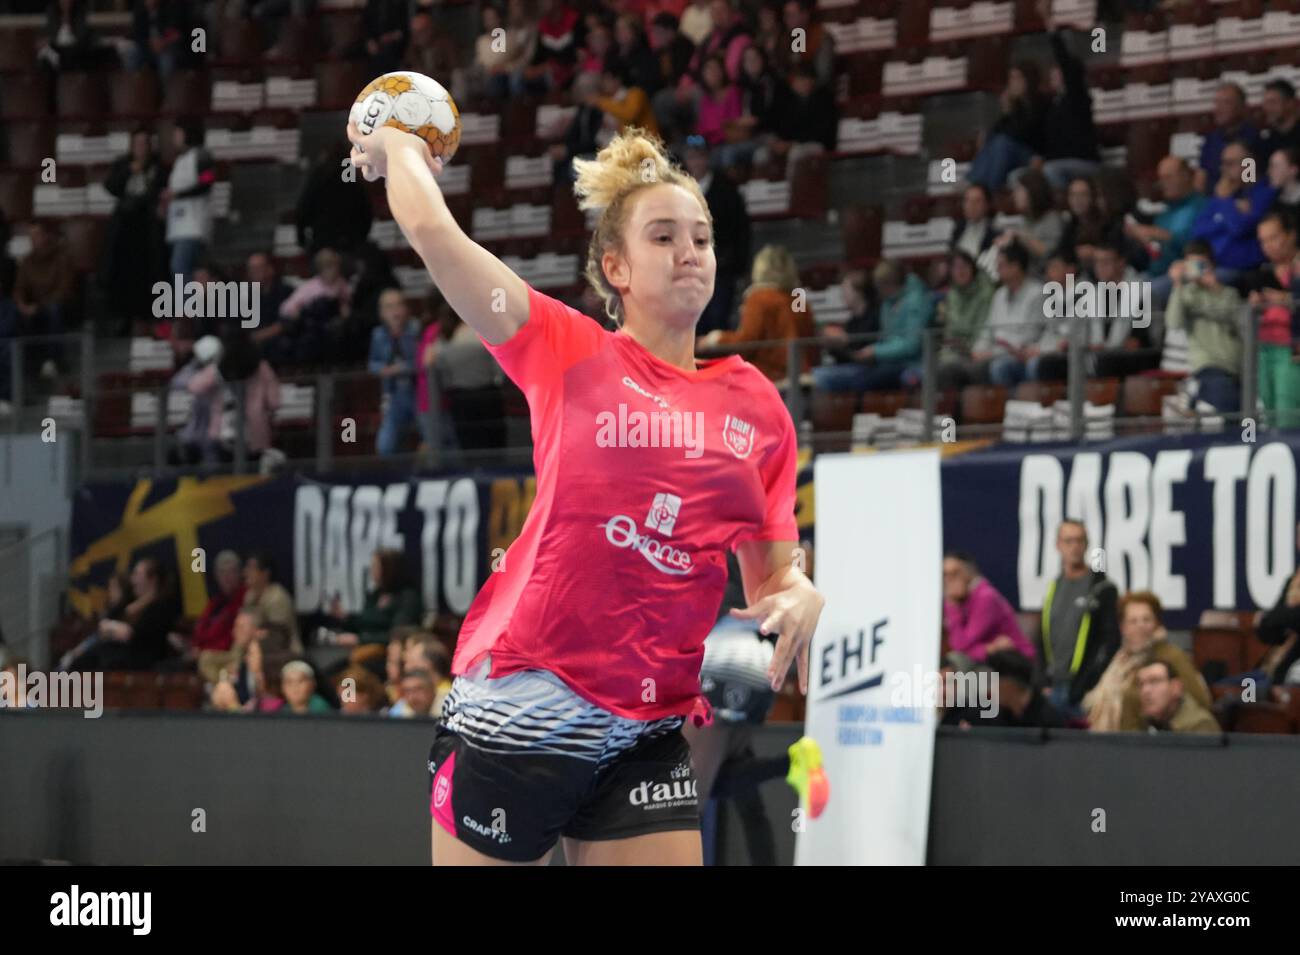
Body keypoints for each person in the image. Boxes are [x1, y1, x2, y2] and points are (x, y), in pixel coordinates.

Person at [347, 118, 823, 866]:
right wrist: (400, 148)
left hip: (648, 722)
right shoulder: (566, 350)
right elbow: (440, 239)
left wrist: (798, 590)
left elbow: (770, 573)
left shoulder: (756, 404)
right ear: (617, 267)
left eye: (700, 237)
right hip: (524, 708)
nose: (689, 252)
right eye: (662, 237)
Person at [1082, 591, 1211, 732]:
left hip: (1152, 742)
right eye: (1133, 621)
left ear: (1157, 623)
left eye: (1146, 620)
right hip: (1114, 739)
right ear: (1123, 627)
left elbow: (1201, 701)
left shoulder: (1172, 656)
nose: (1140, 626)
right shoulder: (1120, 660)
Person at [1034, 519, 1119, 720]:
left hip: (1083, 690)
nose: (1074, 547)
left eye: (1079, 541)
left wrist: (1085, 685)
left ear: (1087, 544)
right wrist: (1042, 682)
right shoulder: (1053, 587)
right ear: (1058, 545)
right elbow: (1042, 637)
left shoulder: (1101, 588)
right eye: (1068, 541)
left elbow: (1109, 641)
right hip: (1053, 686)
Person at [697, 244, 816, 382]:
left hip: (770, 376)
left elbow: (746, 342)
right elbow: (808, 335)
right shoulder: (798, 296)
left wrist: (715, 339)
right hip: (803, 375)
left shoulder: (759, 297)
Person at [812, 259, 930, 393]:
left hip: (910, 363)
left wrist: (875, 351)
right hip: (886, 363)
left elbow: (911, 345)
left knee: (863, 380)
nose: (878, 292)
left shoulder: (916, 302)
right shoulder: (887, 303)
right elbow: (885, 337)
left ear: (889, 284)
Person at [1164, 240, 1243, 413]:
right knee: (1225, 414)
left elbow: (1238, 320)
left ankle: (1194, 400)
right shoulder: (1185, 293)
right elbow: (1173, 322)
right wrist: (1177, 284)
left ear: (1213, 265)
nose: (1198, 269)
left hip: (1235, 369)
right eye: (1192, 264)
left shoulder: (1229, 293)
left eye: (1202, 264)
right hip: (1207, 367)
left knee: (1238, 418)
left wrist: (1215, 287)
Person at [682, 136, 750, 336]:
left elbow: (741, 228)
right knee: (694, 321)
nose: (696, 162)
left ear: (707, 158)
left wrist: (740, 264)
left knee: (718, 320)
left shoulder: (726, 188)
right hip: (689, 268)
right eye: (692, 157)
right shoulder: (678, 190)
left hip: (721, 266)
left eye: (700, 157)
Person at [102, 128, 166, 333]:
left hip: (148, 228)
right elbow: (111, 186)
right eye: (137, 144)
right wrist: (131, 170)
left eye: (145, 143)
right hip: (124, 227)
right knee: (123, 274)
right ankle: (124, 319)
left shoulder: (159, 166)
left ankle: (149, 317)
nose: (141, 148)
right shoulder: (122, 164)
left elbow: (164, 189)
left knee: (148, 273)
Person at [1242, 211, 1300, 428]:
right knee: (1270, 418)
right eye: (1263, 241)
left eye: (1274, 237)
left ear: (1291, 235)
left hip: (1291, 351)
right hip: (1264, 349)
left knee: (1288, 419)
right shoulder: (1262, 273)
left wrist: (1284, 298)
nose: (1268, 246)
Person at [1190, 139, 1277, 281]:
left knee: (1174, 288)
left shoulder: (1263, 193)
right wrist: (1229, 209)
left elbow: (1239, 228)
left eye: (1230, 164)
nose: (1223, 169)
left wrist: (1224, 203)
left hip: (1241, 269)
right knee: (1156, 286)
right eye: (1222, 163)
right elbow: (1197, 230)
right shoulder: (1224, 193)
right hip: (1206, 266)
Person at [81, 557, 180, 672]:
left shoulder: (161, 607)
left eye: (137, 574)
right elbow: (104, 623)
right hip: (115, 657)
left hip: (140, 663)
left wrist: (113, 628)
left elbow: (132, 635)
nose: (133, 579)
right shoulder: (130, 601)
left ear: (153, 579)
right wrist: (116, 627)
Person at [970, 241, 1044, 388]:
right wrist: (978, 350)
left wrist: (994, 353)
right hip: (998, 353)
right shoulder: (999, 295)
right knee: (973, 368)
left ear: (1015, 266)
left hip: (1024, 355)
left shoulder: (1038, 293)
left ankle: (1013, 407)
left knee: (1000, 367)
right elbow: (988, 331)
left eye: (1001, 265)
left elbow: (1030, 335)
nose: (997, 269)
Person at [965, 60, 1044, 191]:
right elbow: (998, 131)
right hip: (1011, 152)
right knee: (991, 140)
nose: (1012, 83)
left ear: (1028, 80)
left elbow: (1022, 133)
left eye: (1016, 78)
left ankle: (988, 190)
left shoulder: (1039, 103)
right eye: (1011, 78)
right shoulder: (1016, 106)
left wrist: (1011, 111)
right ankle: (972, 183)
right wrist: (1007, 111)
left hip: (1032, 155)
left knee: (1002, 143)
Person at [942, 551, 1035, 662]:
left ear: (969, 573)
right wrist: (988, 649)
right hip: (989, 659)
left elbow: (961, 646)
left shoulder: (985, 597)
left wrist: (951, 605)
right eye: (945, 574)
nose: (949, 580)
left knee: (954, 665)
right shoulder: (960, 601)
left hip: (1016, 660)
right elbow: (959, 648)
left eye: (955, 573)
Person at [922, 250, 994, 391]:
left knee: (947, 370)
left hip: (977, 350)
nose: (961, 271)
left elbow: (983, 330)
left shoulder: (985, 293)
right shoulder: (951, 294)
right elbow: (949, 331)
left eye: (964, 266)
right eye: (956, 267)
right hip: (954, 352)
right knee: (928, 369)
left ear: (973, 268)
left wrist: (968, 349)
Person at [14, 221, 76, 381]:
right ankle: (23, 364)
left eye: (37, 235)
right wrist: (21, 303)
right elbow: (20, 287)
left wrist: (39, 306)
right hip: (34, 307)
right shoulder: (27, 261)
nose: (34, 239)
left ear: (46, 236)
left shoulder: (61, 257)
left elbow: (64, 290)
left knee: (54, 310)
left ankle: (54, 359)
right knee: (12, 312)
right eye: (31, 236)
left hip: (57, 305)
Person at [325, 548, 422, 647]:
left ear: (390, 569)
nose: (372, 571)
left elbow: (399, 634)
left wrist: (360, 639)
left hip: (387, 651)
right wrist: (345, 618)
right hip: (364, 648)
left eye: (376, 567)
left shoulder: (408, 598)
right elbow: (365, 622)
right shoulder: (376, 594)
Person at [161, 117, 215, 285]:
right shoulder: (180, 161)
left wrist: (177, 195)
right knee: (192, 271)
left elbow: (207, 181)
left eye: (177, 133)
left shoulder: (201, 156)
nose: (174, 137)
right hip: (178, 225)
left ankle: (187, 308)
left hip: (192, 225)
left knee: (180, 267)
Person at [369, 288, 422, 456]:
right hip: (393, 394)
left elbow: (422, 361)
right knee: (385, 446)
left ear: (406, 309)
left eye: (399, 305)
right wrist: (383, 370)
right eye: (389, 307)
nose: (395, 311)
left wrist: (402, 368)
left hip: (418, 393)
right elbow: (372, 363)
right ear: (382, 312)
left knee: (432, 439)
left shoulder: (415, 329)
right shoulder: (378, 334)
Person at [169, 334, 225, 466]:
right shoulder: (191, 371)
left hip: (217, 430)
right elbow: (178, 383)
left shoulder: (222, 370)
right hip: (194, 430)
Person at [1196, 83, 1259, 195]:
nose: (1219, 109)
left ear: (1242, 107)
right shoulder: (1211, 139)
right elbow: (1201, 177)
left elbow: (1249, 181)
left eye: (1226, 103)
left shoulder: (1252, 139)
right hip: (1212, 203)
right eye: (1217, 103)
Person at [981, 650, 1065, 729]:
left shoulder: (1050, 722)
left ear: (1009, 685)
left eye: (993, 681)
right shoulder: (994, 714)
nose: (990, 689)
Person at [1137, 660, 1221, 734]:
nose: (1145, 691)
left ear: (1176, 687)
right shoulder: (1147, 721)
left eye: (1154, 681)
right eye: (1141, 684)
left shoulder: (1200, 725)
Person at [189, 550, 246, 659]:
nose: (226, 577)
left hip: (225, 657)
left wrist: (203, 651)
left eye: (231, 572)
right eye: (222, 572)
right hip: (203, 655)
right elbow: (200, 628)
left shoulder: (246, 599)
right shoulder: (216, 601)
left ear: (240, 574)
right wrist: (196, 647)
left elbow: (232, 639)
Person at [242, 551, 301, 655]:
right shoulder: (249, 596)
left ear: (265, 573)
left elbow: (278, 636)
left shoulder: (277, 597)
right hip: (255, 653)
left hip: (283, 655)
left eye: (252, 568)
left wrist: (252, 633)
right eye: (247, 568)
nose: (246, 572)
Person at [950, 183, 998, 280]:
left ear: (987, 204)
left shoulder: (994, 232)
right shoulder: (958, 229)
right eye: (968, 201)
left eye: (977, 201)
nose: (972, 205)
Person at [1255, 79, 1300, 167]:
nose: (1267, 108)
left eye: (1273, 102)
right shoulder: (1265, 138)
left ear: (1290, 103)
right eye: (1265, 103)